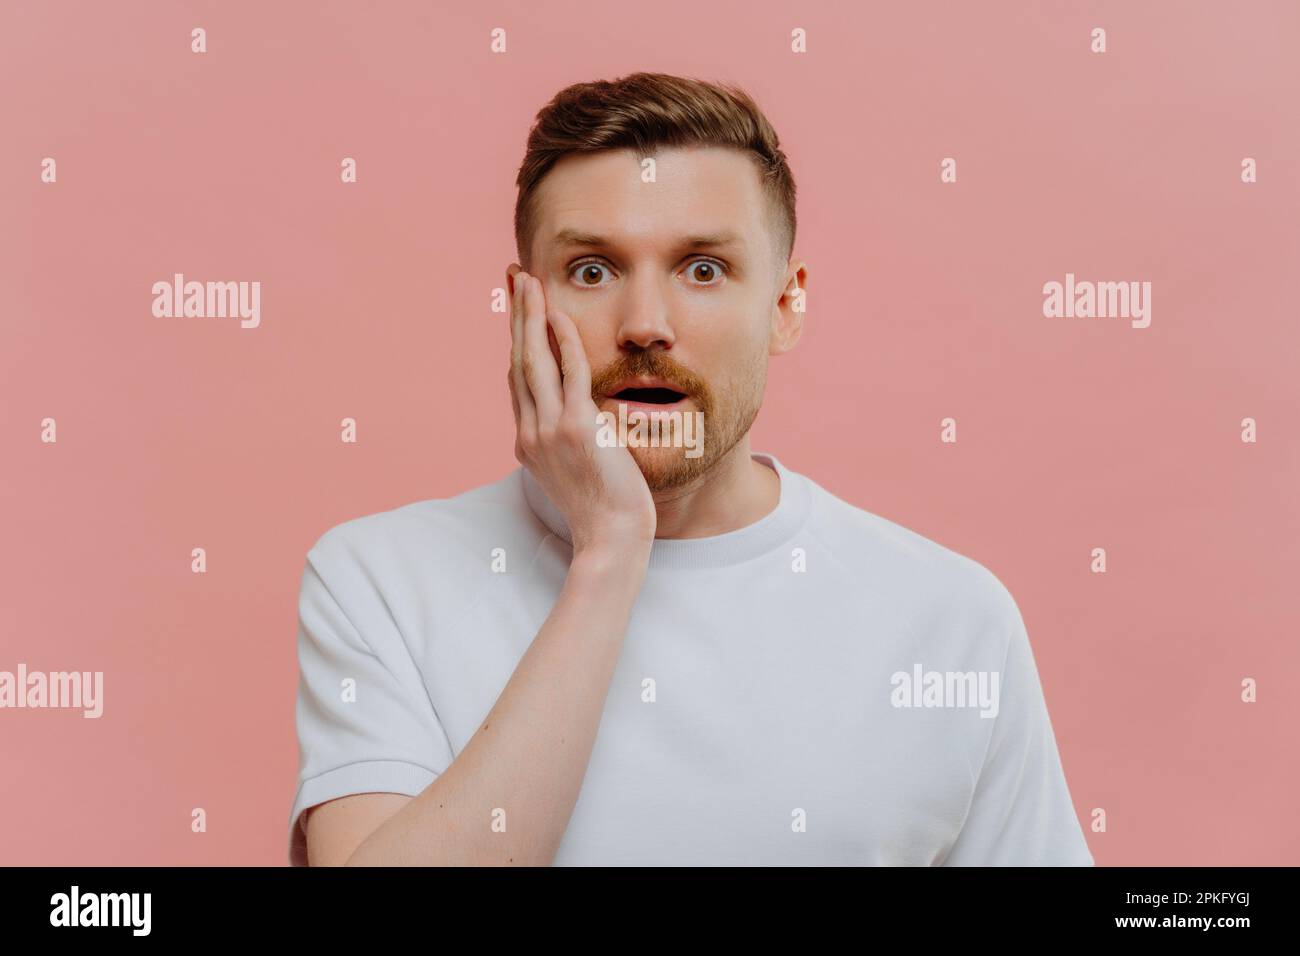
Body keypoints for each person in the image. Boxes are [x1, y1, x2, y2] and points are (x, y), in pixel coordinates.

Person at [287, 71, 1093, 867]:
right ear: (522, 307)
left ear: (785, 306)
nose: (645, 325)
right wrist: (610, 550)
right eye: (593, 271)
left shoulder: (953, 622)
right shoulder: (377, 582)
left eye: (703, 269)